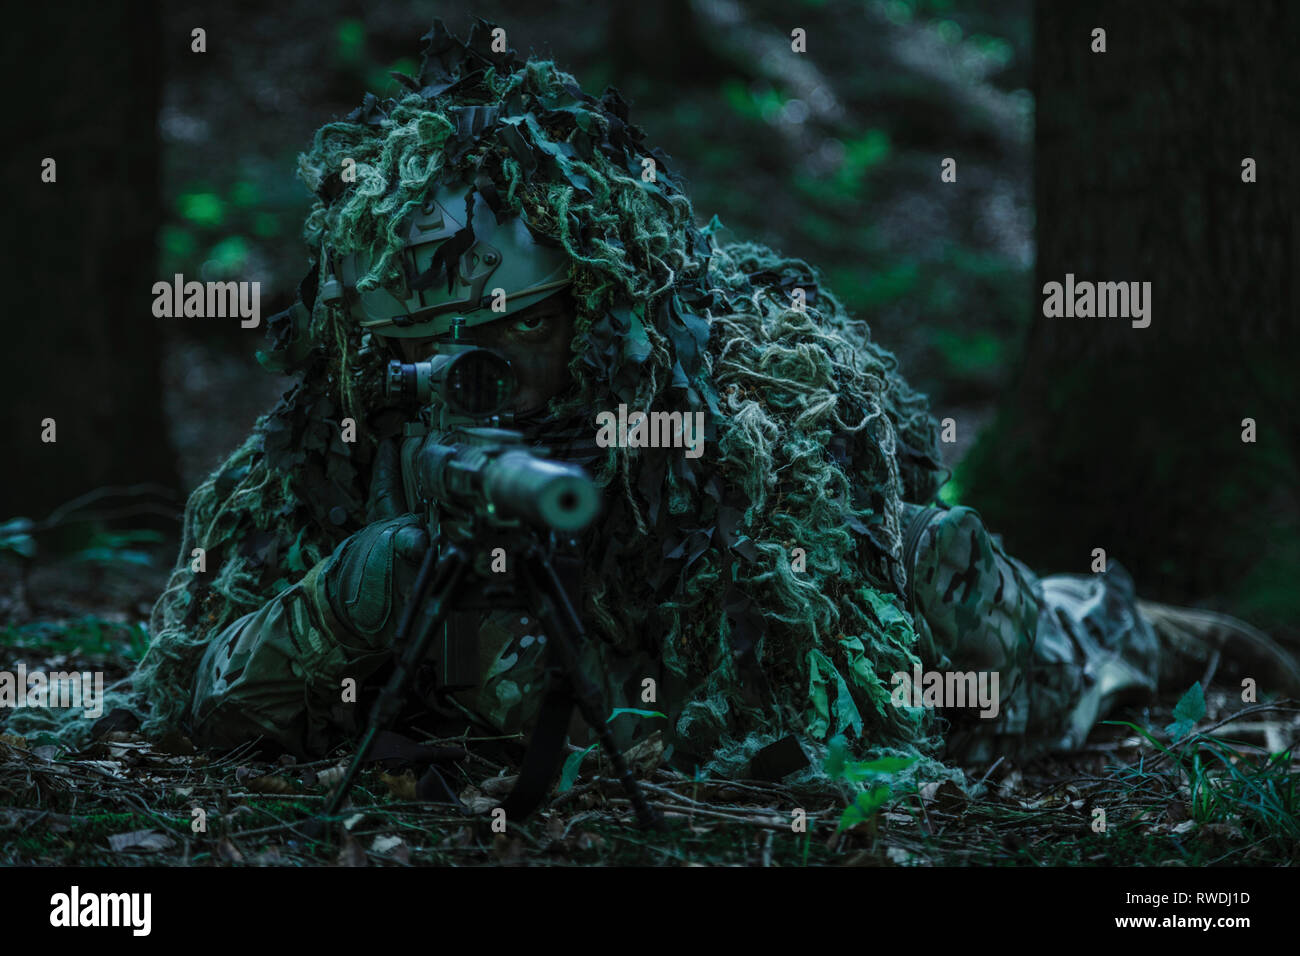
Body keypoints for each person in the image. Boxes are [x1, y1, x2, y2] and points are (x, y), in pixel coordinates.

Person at [131, 20, 1283, 786]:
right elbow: (185, 692)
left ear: (599, 313)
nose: (475, 377)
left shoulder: (714, 436)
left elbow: (801, 730)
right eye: (429, 350)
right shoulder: (317, 459)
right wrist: (351, 595)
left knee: (1037, 646)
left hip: (920, 602)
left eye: (523, 327)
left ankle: (1174, 631)